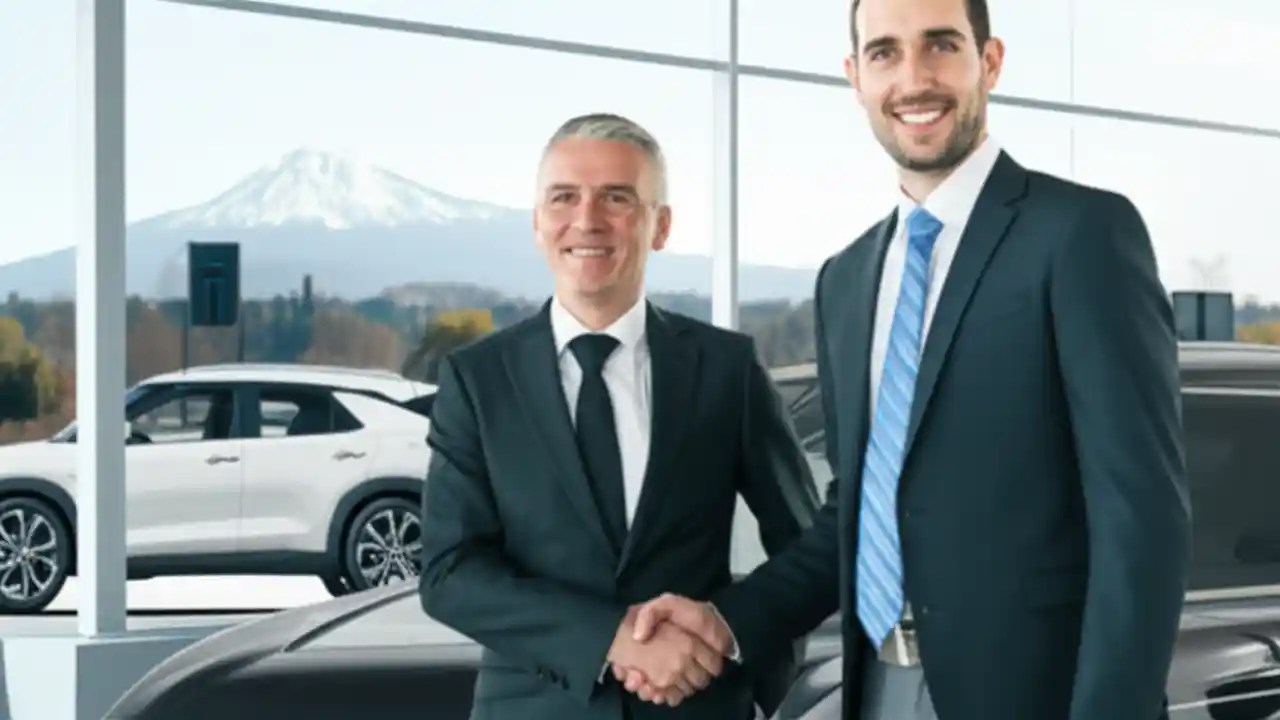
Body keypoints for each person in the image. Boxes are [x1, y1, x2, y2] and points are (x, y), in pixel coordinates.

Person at [623, 0, 1192, 718]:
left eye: (941, 45)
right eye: (886, 53)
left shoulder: (1080, 234)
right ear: (856, 76)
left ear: (989, 62)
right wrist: (727, 622)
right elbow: (854, 518)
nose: (913, 78)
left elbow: (1141, 519)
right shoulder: (847, 278)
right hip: (876, 689)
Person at [416, 112, 822, 719]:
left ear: (660, 226)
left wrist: (731, 641)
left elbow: (807, 545)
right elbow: (449, 571)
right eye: (564, 198)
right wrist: (608, 639)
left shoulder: (726, 369)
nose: (587, 220)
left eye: (616, 198)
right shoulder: (478, 380)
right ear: (537, 223)